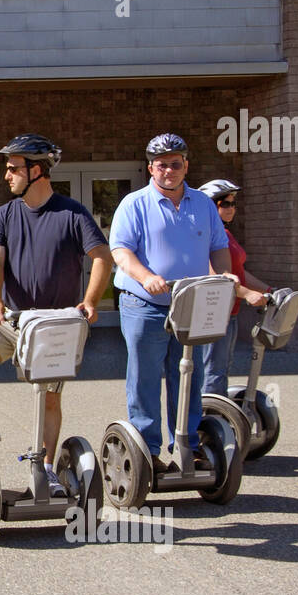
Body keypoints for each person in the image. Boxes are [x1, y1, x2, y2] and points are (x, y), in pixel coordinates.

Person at [0, 134, 113, 497]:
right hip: (12, 320)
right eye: (8, 168)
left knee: (49, 398)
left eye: (13, 168)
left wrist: (91, 301)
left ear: (37, 171)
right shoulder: (3, 215)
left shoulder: (72, 213)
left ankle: (48, 470)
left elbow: (101, 257)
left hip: (54, 324)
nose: (7, 175)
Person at [108, 133, 237, 473]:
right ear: (150, 168)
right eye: (162, 164)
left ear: (186, 166)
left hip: (189, 302)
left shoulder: (203, 204)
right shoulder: (134, 204)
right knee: (145, 377)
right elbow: (120, 250)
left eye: (175, 164)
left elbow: (218, 246)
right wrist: (145, 276)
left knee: (188, 376)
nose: (169, 170)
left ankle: (187, 443)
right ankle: (147, 452)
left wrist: (224, 276)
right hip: (144, 303)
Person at [196, 180, 271, 395]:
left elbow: (239, 272)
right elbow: (215, 276)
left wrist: (268, 289)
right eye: (225, 204)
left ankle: (216, 415)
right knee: (212, 371)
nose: (231, 208)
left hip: (231, 311)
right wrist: (248, 294)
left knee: (222, 368)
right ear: (211, 206)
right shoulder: (206, 235)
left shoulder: (225, 234)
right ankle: (206, 421)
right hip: (214, 312)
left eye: (233, 204)